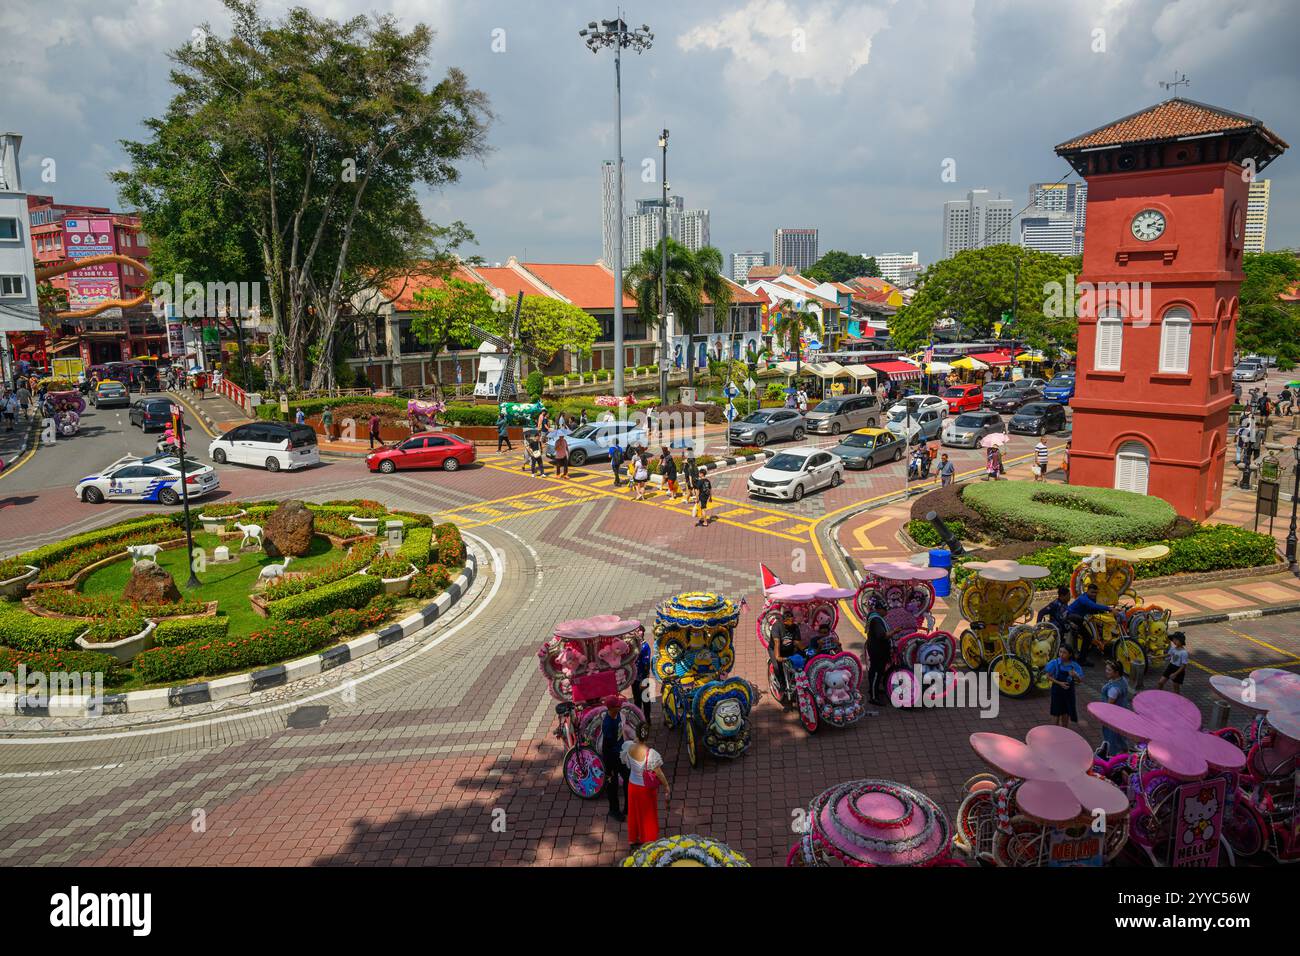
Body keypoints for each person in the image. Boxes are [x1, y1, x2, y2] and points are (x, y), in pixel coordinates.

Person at [620, 722, 668, 846]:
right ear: (647, 736)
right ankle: (648, 839)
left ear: (636, 734)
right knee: (648, 815)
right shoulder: (651, 753)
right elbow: (659, 773)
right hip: (645, 789)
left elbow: (626, 762)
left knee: (634, 812)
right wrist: (666, 786)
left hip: (632, 786)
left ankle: (634, 838)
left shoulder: (629, 747)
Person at [1065, 581, 1111, 666]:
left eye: (1095, 593)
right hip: (1071, 618)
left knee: (1087, 638)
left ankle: (1081, 659)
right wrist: (1109, 609)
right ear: (1087, 590)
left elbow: (1093, 609)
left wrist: (1105, 611)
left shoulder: (1091, 598)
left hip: (1079, 619)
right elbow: (1093, 606)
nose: (1094, 594)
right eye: (1092, 592)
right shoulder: (1083, 598)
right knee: (1087, 637)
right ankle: (1080, 660)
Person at [600, 696, 629, 822]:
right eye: (618, 705)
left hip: (620, 754)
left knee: (628, 778)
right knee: (612, 784)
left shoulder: (617, 715)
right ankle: (614, 810)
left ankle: (628, 806)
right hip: (611, 757)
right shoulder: (607, 723)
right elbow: (609, 744)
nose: (620, 706)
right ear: (611, 708)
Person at [1097, 660, 1132, 757]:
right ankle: (1124, 750)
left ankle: (1111, 756)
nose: (1106, 671)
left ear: (1116, 673)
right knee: (1120, 735)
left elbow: (1109, 706)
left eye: (1109, 670)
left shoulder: (1114, 690)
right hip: (1122, 711)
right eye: (1106, 669)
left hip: (1112, 716)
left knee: (1111, 735)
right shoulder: (1123, 680)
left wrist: (1101, 715)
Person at [1044, 644, 1083, 727]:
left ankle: (1064, 731)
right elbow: (1048, 676)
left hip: (1069, 693)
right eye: (1060, 652)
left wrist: (1076, 676)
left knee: (1066, 713)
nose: (1061, 654)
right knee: (1056, 713)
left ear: (1070, 654)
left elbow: (1080, 681)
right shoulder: (1054, 663)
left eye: (1064, 652)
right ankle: (1055, 732)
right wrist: (1059, 683)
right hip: (1057, 692)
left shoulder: (1074, 665)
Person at [864, 604, 891, 706]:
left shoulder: (874, 617)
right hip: (878, 650)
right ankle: (874, 697)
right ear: (879, 610)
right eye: (885, 610)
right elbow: (882, 635)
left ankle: (873, 689)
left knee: (875, 671)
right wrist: (894, 632)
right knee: (876, 672)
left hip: (875, 648)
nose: (887, 613)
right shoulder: (876, 620)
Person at [632, 638, 653, 725]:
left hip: (643, 677)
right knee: (637, 699)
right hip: (634, 678)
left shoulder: (645, 646)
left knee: (645, 698)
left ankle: (647, 719)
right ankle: (638, 719)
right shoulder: (632, 644)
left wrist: (644, 678)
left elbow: (646, 663)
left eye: (640, 631)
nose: (638, 632)